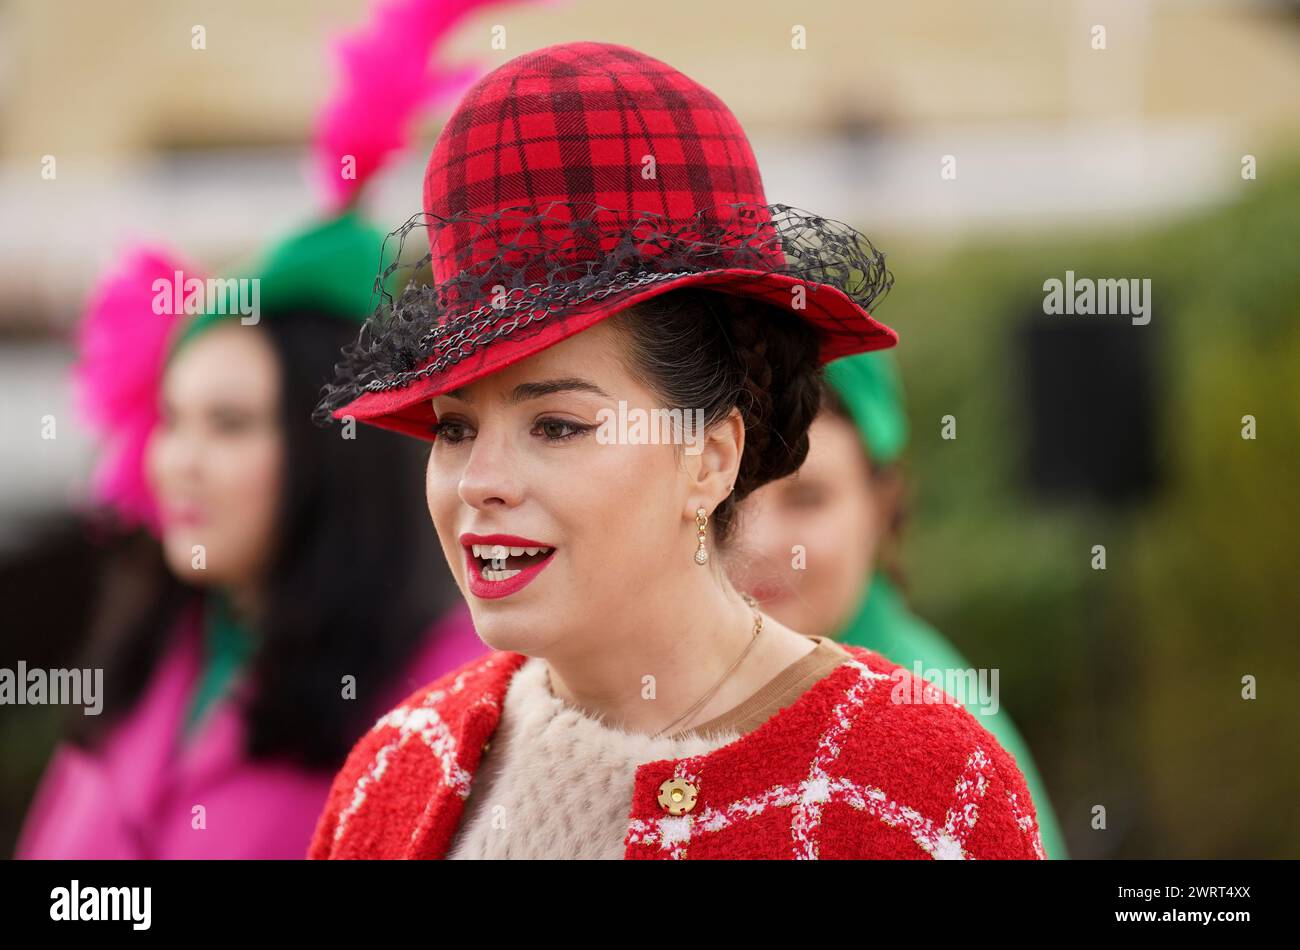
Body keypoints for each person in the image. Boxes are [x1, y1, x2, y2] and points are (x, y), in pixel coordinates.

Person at [307, 40, 1047, 860]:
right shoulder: (398, 771)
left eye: (557, 425)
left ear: (712, 458)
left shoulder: (917, 791)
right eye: (454, 428)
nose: (480, 482)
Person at [14, 0, 494, 858]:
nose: (178, 463)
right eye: (170, 420)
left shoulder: (453, 686)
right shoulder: (158, 654)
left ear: (335, 450)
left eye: (230, 425)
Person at [730, 350, 1070, 859]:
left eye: (807, 499)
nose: (759, 540)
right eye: (733, 495)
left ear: (882, 504)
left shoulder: (936, 732)